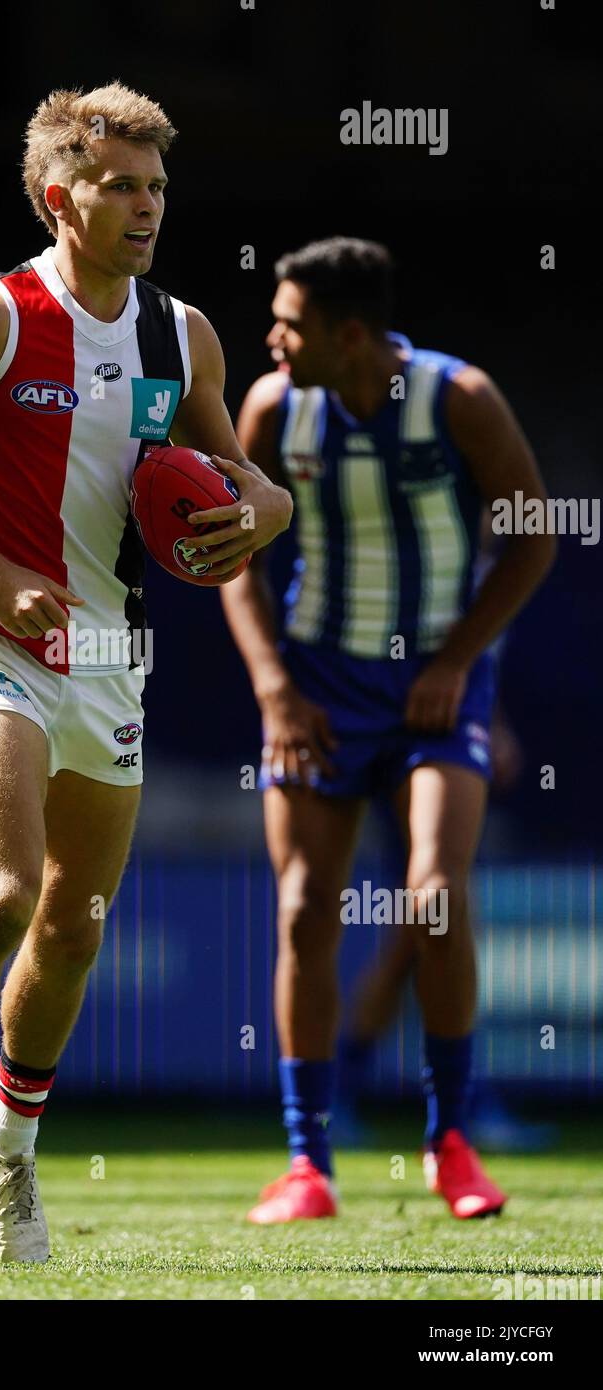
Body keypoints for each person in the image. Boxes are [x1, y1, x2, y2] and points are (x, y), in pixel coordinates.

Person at [0, 81, 292, 1262]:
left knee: (74, 925)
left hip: (109, 658)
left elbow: (237, 475)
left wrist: (264, 505)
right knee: (0, 897)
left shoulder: (180, 332)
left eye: (155, 186)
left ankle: (14, 1138)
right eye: (119, 186)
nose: (145, 206)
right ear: (61, 198)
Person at [220, 237, 555, 1222]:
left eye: (288, 323)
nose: (272, 338)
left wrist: (453, 662)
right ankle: (304, 1163)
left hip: (431, 697)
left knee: (434, 895)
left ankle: (450, 1140)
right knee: (300, 908)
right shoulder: (275, 408)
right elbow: (234, 557)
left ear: (349, 333)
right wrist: (275, 687)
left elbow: (531, 535)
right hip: (316, 693)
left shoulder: (459, 398)